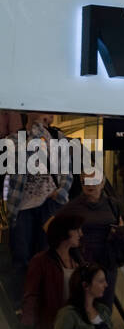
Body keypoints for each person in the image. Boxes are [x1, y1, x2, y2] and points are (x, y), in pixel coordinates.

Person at [3, 113, 74, 308]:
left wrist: (60, 194)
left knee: (47, 256)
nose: (50, 118)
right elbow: (16, 166)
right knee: (21, 257)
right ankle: (22, 306)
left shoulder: (57, 138)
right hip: (23, 206)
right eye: (46, 114)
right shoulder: (13, 140)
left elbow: (67, 171)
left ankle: (45, 305)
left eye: (51, 115)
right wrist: (35, 134)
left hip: (48, 204)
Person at [63, 172, 124, 312]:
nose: (89, 184)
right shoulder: (73, 206)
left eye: (94, 180)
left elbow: (119, 226)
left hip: (107, 263)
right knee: (82, 307)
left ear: (103, 182)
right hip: (83, 264)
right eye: (85, 180)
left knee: (105, 307)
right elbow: (55, 229)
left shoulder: (112, 204)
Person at [19, 210, 84, 329]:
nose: (80, 234)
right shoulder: (41, 261)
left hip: (75, 324)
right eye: (76, 229)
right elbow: (31, 295)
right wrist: (26, 327)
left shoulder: (77, 261)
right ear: (64, 232)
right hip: (53, 325)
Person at [53, 262, 112, 329]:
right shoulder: (68, 314)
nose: (106, 285)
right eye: (101, 281)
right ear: (85, 285)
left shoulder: (104, 310)